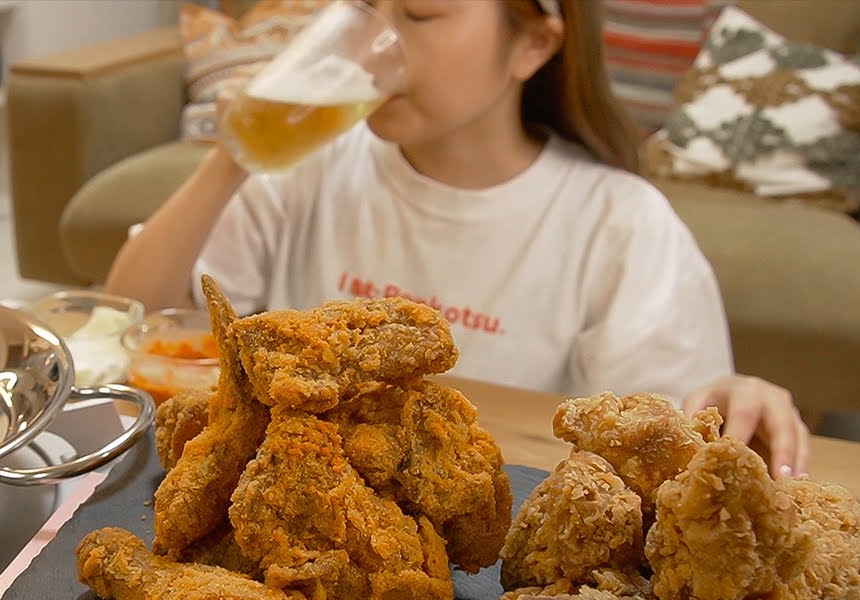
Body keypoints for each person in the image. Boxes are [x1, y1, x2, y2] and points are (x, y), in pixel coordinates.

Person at [104, 0, 809, 477]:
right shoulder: (305, 170)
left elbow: (667, 445)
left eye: (421, 11)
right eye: (367, 10)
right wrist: (233, 155)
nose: (377, 44)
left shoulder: (619, 224)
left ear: (531, 42)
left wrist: (733, 399)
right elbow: (133, 322)